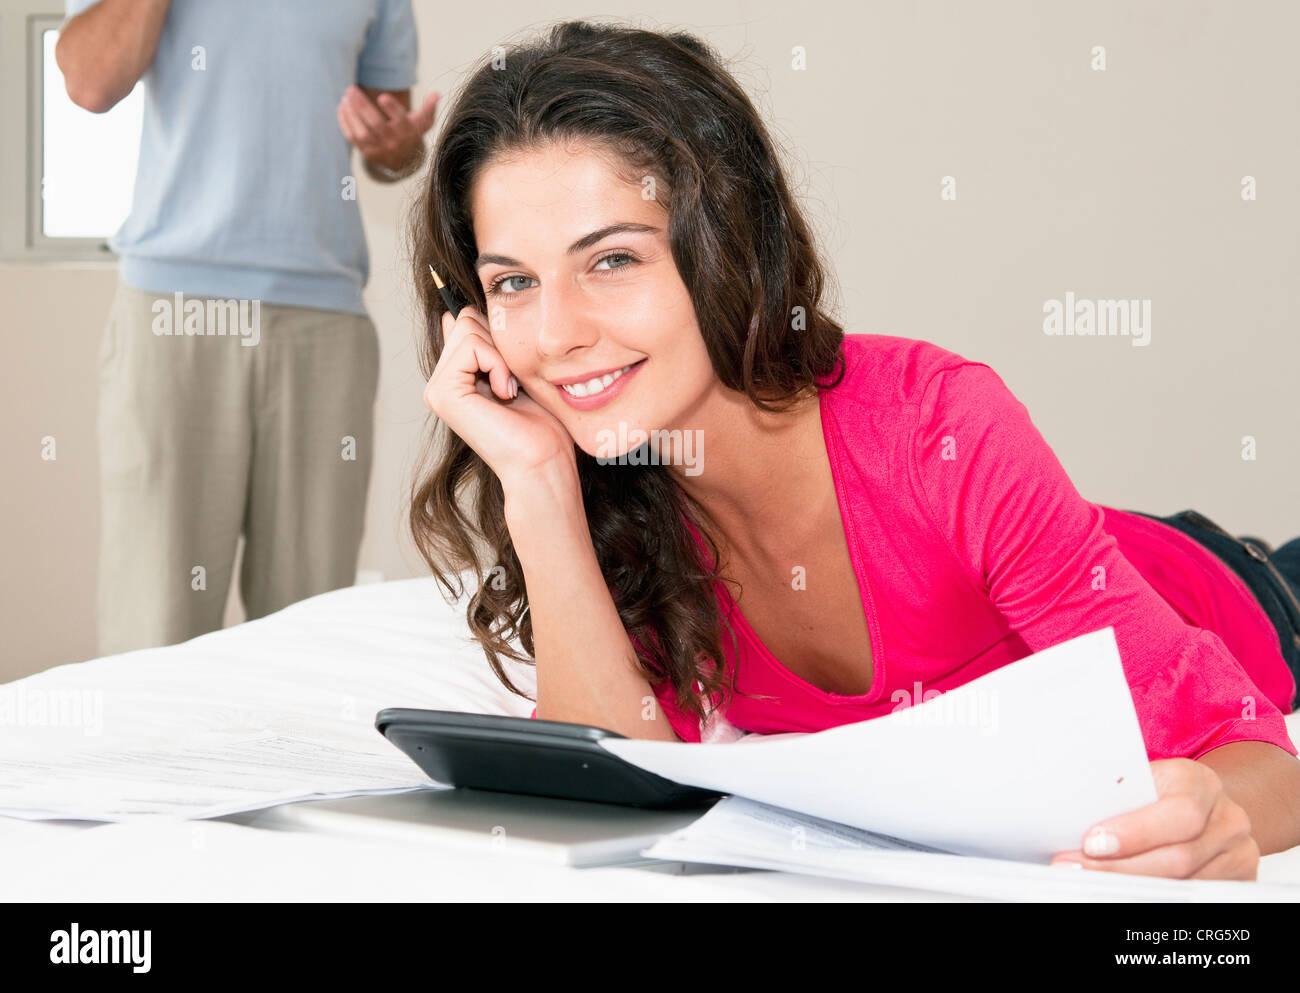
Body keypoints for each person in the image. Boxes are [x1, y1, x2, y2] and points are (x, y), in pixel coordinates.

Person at [406, 20, 1300, 879]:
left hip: (1236, 585)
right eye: (514, 282)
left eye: (612, 261)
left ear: (726, 249)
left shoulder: (937, 427)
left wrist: (1216, 815)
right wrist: (536, 482)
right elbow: (613, 781)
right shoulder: (625, 495)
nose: (556, 334)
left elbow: (1266, 760)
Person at [55, 0, 436, 655]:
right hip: (172, 312)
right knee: (156, 624)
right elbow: (90, 83)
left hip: (323, 317)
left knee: (307, 624)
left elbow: (392, 147)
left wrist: (397, 145)